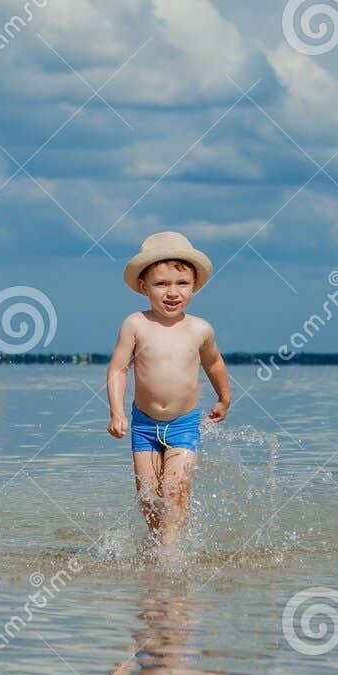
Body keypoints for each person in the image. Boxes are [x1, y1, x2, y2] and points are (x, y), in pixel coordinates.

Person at [106, 231, 231, 549]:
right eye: (161, 284)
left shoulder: (200, 329)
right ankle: (156, 552)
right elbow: (119, 369)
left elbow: (214, 363)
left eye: (181, 284)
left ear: (193, 285)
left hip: (184, 425)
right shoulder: (135, 324)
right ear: (143, 286)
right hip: (144, 426)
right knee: (148, 498)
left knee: (174, 490)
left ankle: (170, 556)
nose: (172, 292)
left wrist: (224, 397)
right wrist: (117, 412)